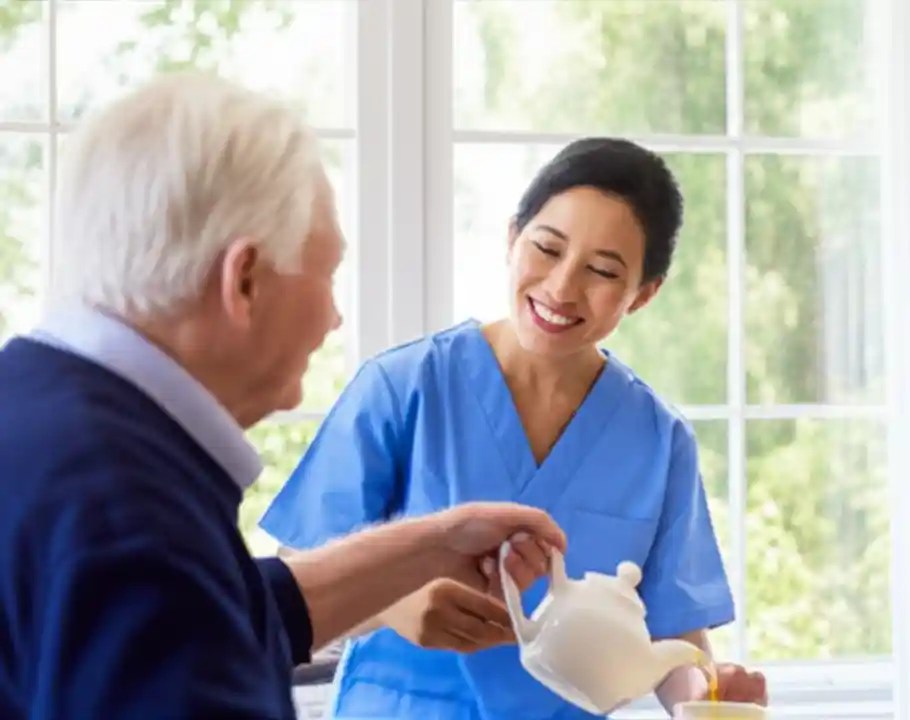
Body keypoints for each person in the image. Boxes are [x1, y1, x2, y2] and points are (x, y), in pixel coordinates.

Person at [0, 73, 562, 720]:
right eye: (326, 274)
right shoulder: (131, 519)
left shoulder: (37, 412)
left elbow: (218, 613)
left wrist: (432, 547)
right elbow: (181, 613)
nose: (333, 319)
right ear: (244, 280)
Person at [259, 137, 769, 718]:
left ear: (643, 295)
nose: (561, 288)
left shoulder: (657, 440)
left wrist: (705, 697)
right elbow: (295, 575)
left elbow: (672, 633)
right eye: (547, 249)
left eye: (603, 271)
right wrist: (393, 605)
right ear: (511, 238)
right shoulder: (405, 387)